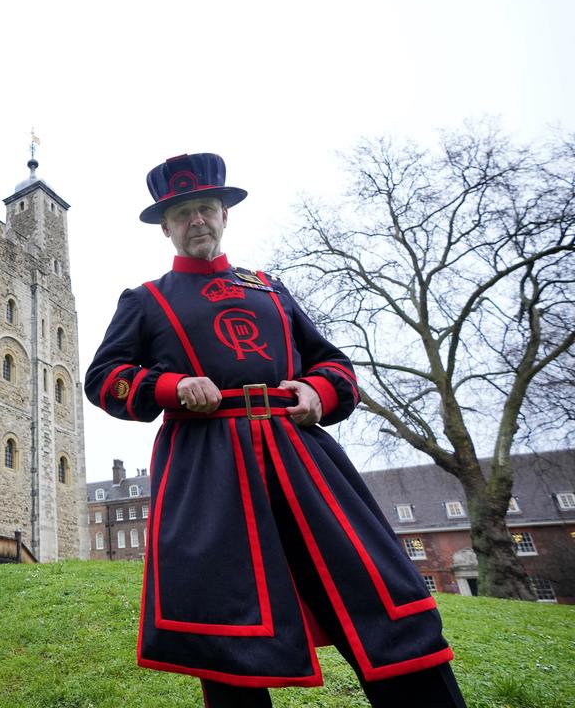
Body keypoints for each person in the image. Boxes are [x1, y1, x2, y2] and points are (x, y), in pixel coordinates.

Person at [84, 153, 467, 708]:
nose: (198, 221)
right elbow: (104, 379)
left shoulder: (270, 288)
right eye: (184, 212)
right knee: (230, 632)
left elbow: (334, 366)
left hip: (303, 460)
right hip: (208, 470)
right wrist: (171, 386)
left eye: (207, 209)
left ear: (225, 216)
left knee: (381, 599)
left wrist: (320, 390)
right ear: (165, 226)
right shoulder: (146, 299)